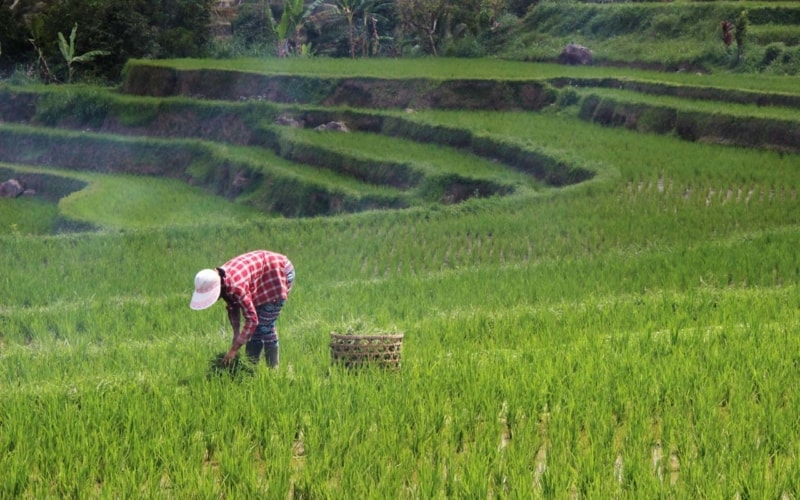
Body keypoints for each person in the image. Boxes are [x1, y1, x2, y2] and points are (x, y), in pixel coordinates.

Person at [190, 250, 295, 367]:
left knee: (265, 325)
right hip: (262, 278)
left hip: (279, 272)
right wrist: (236, 334)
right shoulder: (221, 280)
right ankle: (251, 367)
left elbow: (252, 320)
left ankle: (273, 370)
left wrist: (233, 350)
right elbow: (233, 305)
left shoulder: (235, 286)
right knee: (255, 329)